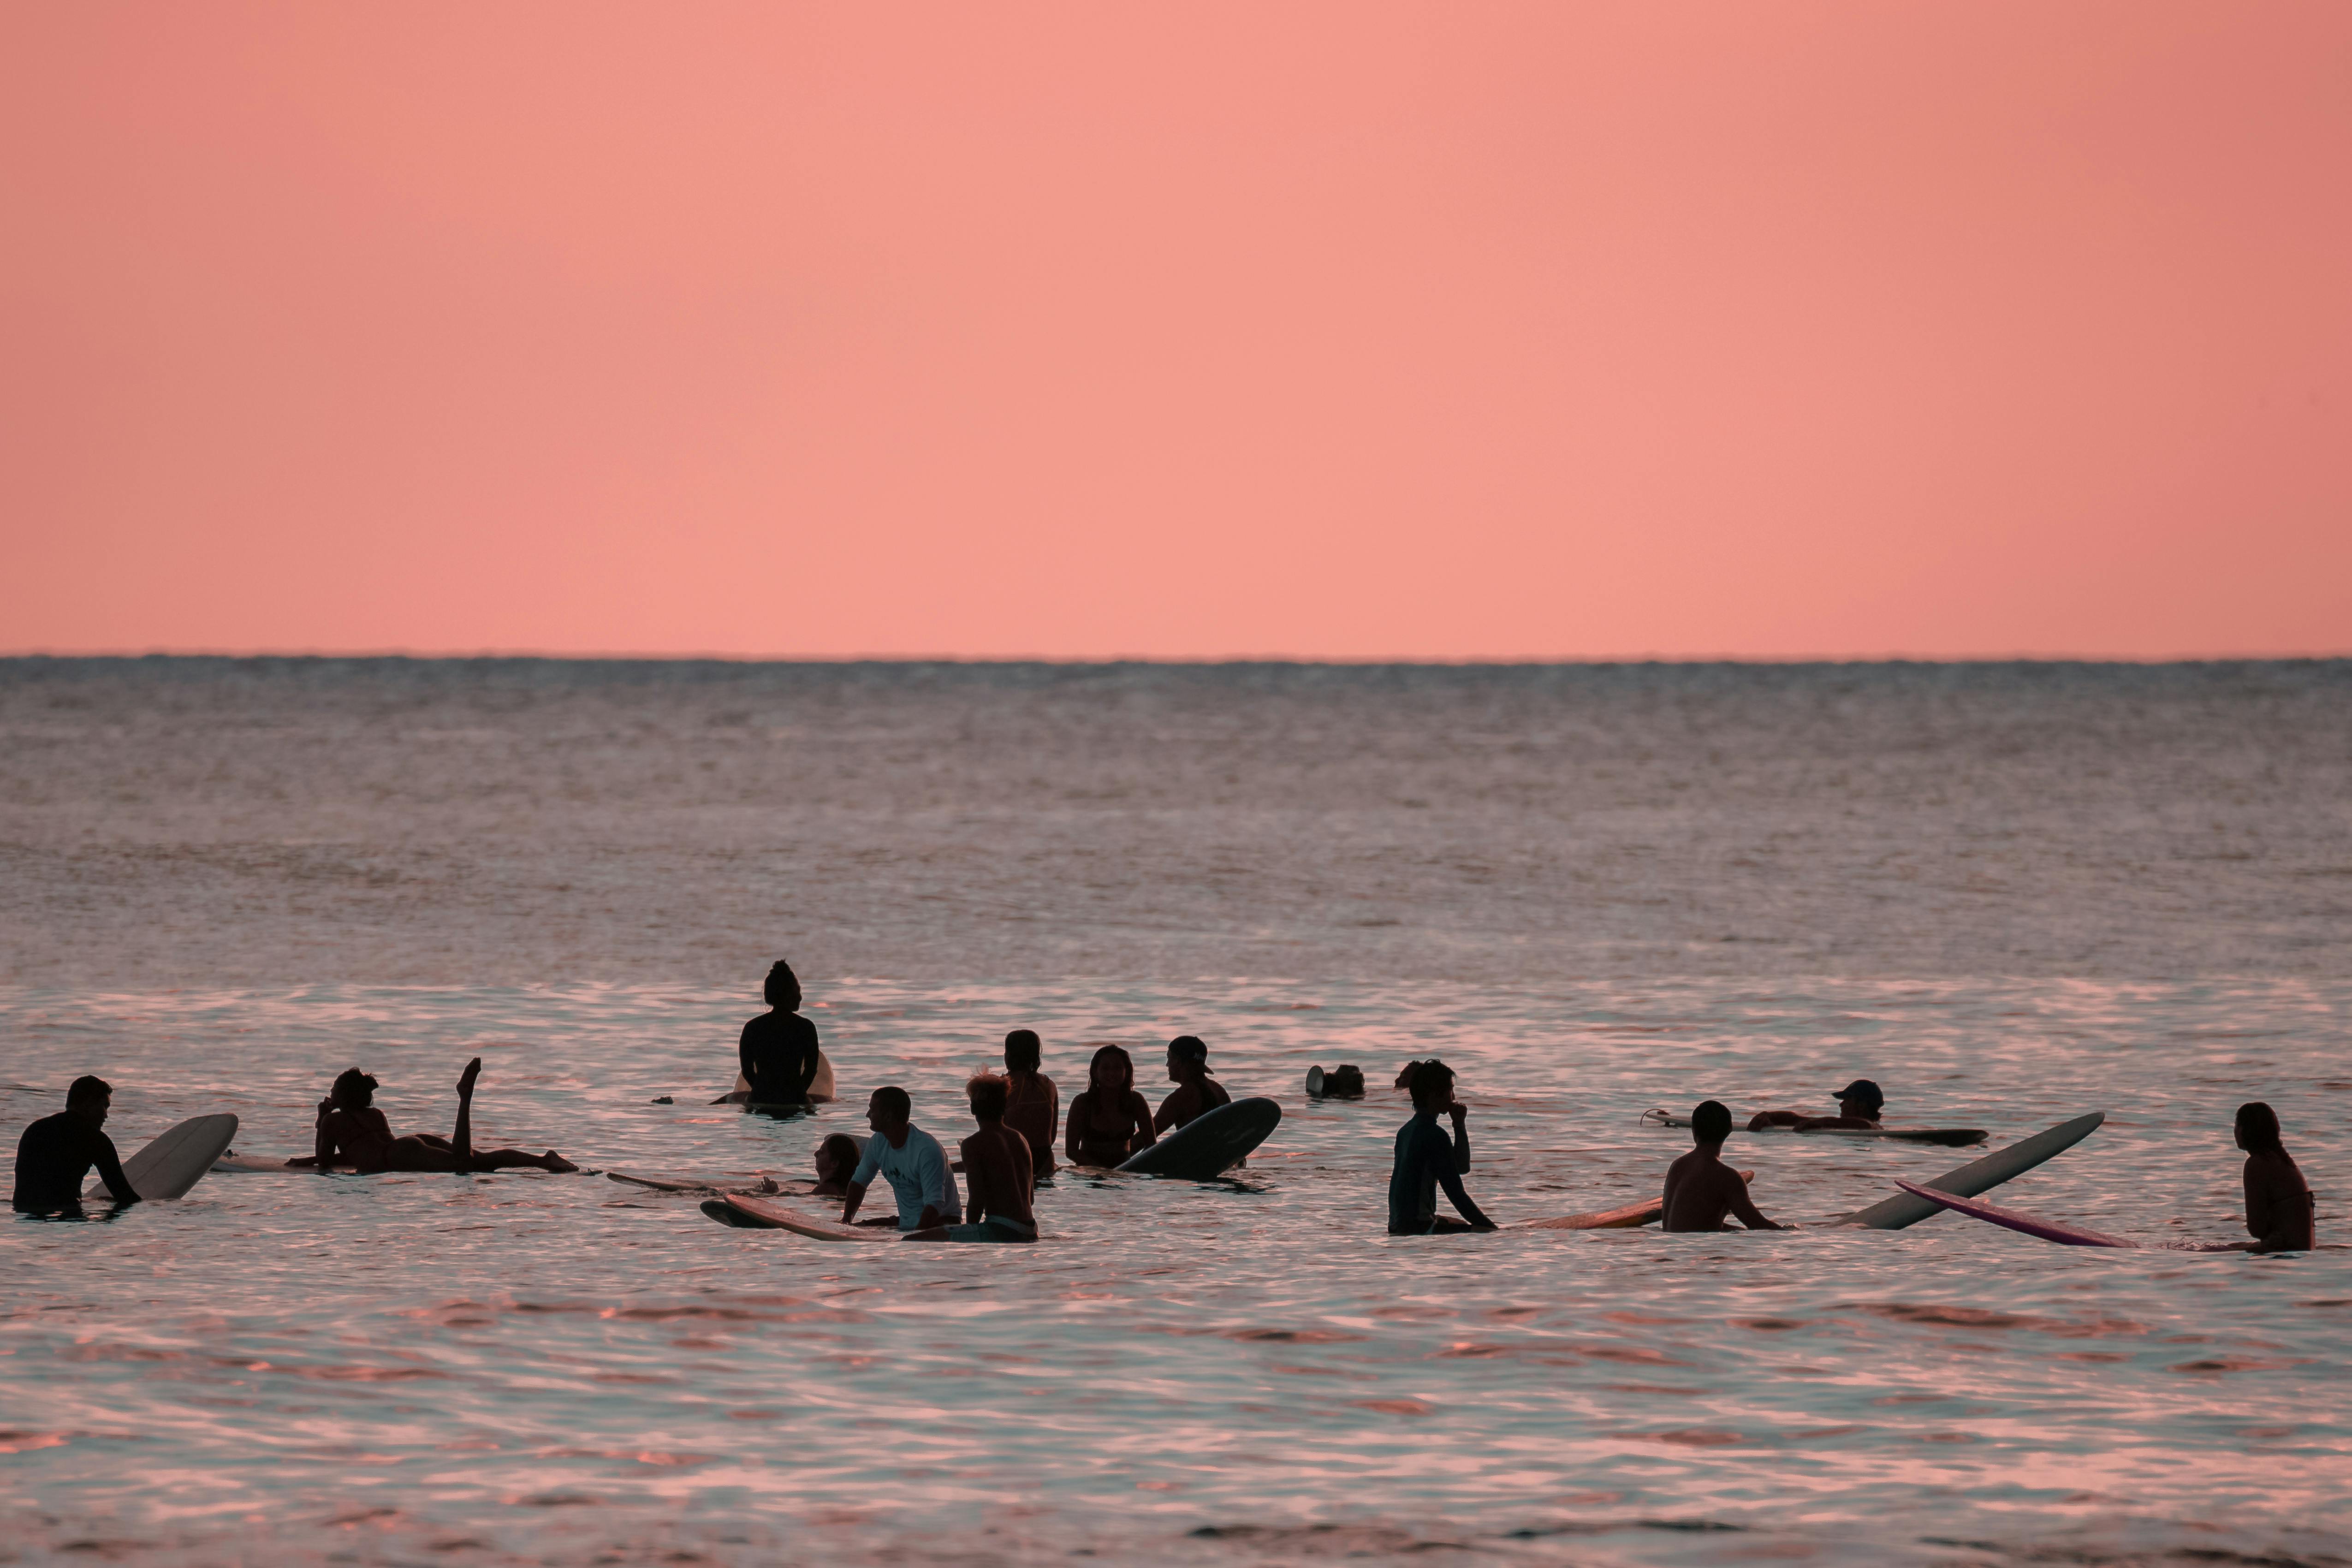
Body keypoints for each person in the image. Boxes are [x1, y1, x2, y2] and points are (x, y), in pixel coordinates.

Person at [300, 1059, 578, 1174]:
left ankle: (465, 1097)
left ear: (343, 1095)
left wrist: (320, 1120)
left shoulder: (331, 1121)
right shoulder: (376, 1114)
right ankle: (545, 1161)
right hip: (410, 1144)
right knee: (480, 1161)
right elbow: (354, 1155)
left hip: (397, 1156)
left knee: (463, 1163)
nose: (330, 1091)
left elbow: (325, 1166)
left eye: (334, 1087)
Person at [911, 1075, 1038, 1243]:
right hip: (1030, 1229)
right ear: (1004, 1106)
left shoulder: (973, 1144)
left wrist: (971, 1232)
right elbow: (1031, 1198)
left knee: (913, 1239)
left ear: (972, 1109)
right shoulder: (1019, 1139)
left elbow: (977, 1200)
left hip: (1002, 1229)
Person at [1387, 1059, 1495, 1235]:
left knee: (1461, 1224)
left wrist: (1459, 1125)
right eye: (1450, 1090)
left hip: (1397, 1226)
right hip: (1419, 1227)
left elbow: (1460, 1167)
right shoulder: (1434, 1135)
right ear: (1434, 1096)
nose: (1453, 1097)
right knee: (1483, 1231)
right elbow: (1457, 1195)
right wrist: (1493, 1230)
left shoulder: (1405, 1131)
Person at [841, 1087, 959, 1232]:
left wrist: (915, 1238)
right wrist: (846, 1221)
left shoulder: (927, 1150)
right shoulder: (878, 1142)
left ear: (889, 1116)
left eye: (872, 1110)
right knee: (855, 1228)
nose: (868, 1115)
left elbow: (935, 1203)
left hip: (942, 1222)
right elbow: (859, 1183)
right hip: (905, 1222)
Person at [13, 1075, 137, 1211]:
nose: (106, 1115)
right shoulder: (95, 1139)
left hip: (24, 1214)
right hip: (69, 1215)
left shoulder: (35, 1130)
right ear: (89, 1103)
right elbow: (124, 1196)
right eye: (104, 1106)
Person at [1664, 1100, 1787, 1231]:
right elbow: (1758, 1226)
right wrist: (1792, 1233)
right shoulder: (1727, 1177)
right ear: (1730, 1130)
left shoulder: (1677, 1166)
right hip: (1702, 1250)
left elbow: (1689, 1223)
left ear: (1694, 1131)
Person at [739, 961, 821, 1107]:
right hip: (796, 1099)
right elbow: (811, 1070)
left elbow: (747, 1071)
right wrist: (796, 1093)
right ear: (788, 995)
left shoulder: (752, 1028)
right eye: (798, 991)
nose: (801, 997)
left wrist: (763, 1090)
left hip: (759, 1099)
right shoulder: (806, 1027)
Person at [2237, 1101, 2315, 1252]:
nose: (2234, 1131)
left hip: (2285, 1253)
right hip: (2299, 1253)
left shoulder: (2257, 1164)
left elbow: (2257, 1229)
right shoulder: (2284, 1161)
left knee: (2204, 1251)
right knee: (2226, 1248)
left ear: (2244, 1130)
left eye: (2236, 1125)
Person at [1064, 1045, 1156, 1168]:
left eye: (1118, 1068)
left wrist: (1135, 1169)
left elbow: (1152, 1145)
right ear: (1095, 1072)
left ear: (1127, 1071)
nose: (1112, 1073)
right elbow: (1071, 1152)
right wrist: (1104, 1172)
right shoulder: (1083, 1103)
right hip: (1088, 1176)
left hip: (1124, 1174)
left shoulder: (1136, 1101)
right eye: (1105, 1068)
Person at [1002, 1029, 1059, 1176]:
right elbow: (1052, 1137)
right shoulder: (1049, 1085)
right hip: (1045, 1158)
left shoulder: (1002, 1085)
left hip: (1013, 1156)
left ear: (1009, 1055)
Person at [1153, 1035, 1233, 1133]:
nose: (1167, 1064)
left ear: (1178, 1061)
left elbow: (1146, 1137)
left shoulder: (1183, 1097)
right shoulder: (1219, 1091)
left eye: (1169, 1058)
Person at [1748, 1079, 1884, 1132]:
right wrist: (1767, 1115)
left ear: (1861, 1106)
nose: (1841, 1105)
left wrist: (1818, 1122)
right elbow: (1796, 1119)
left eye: (1847, 1100)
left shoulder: (1873, 1128)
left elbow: (1866, 1125)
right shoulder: (1836, 1124)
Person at [811, 1132, 864, 1198]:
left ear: (834, 1163)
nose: (816, 1154)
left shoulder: (826, 1189)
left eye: (822, 1152)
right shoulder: (843, 1188)